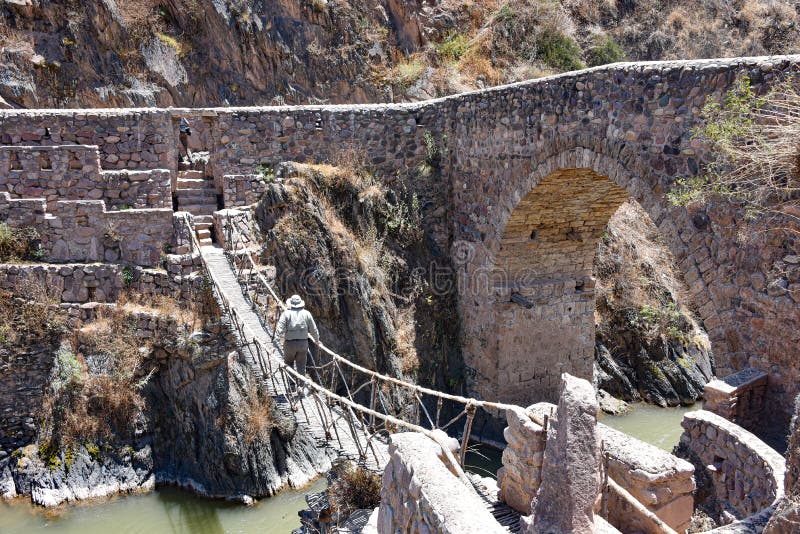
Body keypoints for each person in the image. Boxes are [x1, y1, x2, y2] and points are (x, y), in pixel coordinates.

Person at [275, 295, 319, 399]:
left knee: (289, 364)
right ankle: (301, 386)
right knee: (301, 366)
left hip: (289, 344)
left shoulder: (286, 314)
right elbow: (313, 329)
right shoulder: (306, 314)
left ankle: (291, 386)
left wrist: (275, 341)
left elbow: (279, 328)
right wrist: (317, 340)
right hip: (303, 344)